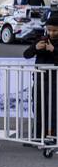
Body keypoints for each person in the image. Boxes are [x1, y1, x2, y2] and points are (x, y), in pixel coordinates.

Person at [23, 14, 58, 142]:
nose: (51, 33)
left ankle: (52, 137)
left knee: (53, 110)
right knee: (37, 108)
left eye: (54, 30)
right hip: (39, 80)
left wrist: (53, 49)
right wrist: (35, 48)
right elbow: (26, 54)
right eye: (49, 30)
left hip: (55, 81)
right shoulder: (41, 39)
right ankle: (38, 136)